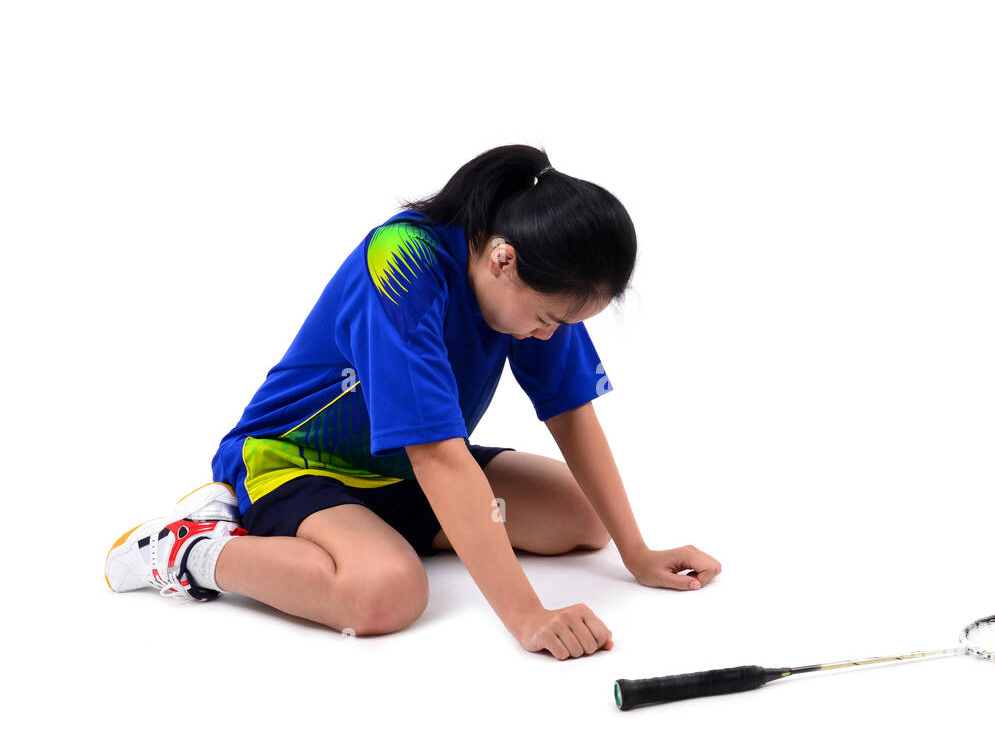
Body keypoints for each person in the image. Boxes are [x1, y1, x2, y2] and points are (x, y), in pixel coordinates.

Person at [104, 144, 721, 659]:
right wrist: (527, 615)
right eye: (548, 319)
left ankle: (377, 532)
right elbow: (439, 458)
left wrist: (637, 553)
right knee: (386, 594)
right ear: (503, 258)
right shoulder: (400, 264)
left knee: (582, 520)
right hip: (294, 461)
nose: (551, 333)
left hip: (402, 468)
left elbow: (570, 410)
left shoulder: (533, 287)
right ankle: (190, 549)